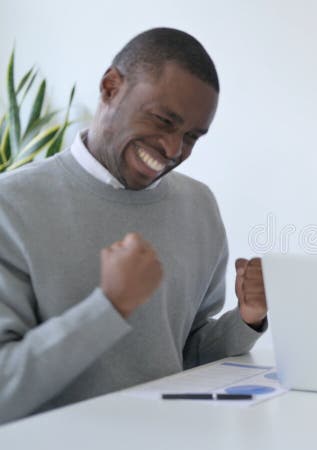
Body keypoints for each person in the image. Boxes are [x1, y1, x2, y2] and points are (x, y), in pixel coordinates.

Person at [0, 28, 268, 424]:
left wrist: (247, 319)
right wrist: (109, 307)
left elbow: (185, 352)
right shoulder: (12, 205)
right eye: (163, 120)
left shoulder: (198, 205)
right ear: (110, 87)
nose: (174, 149)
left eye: (192, 136)